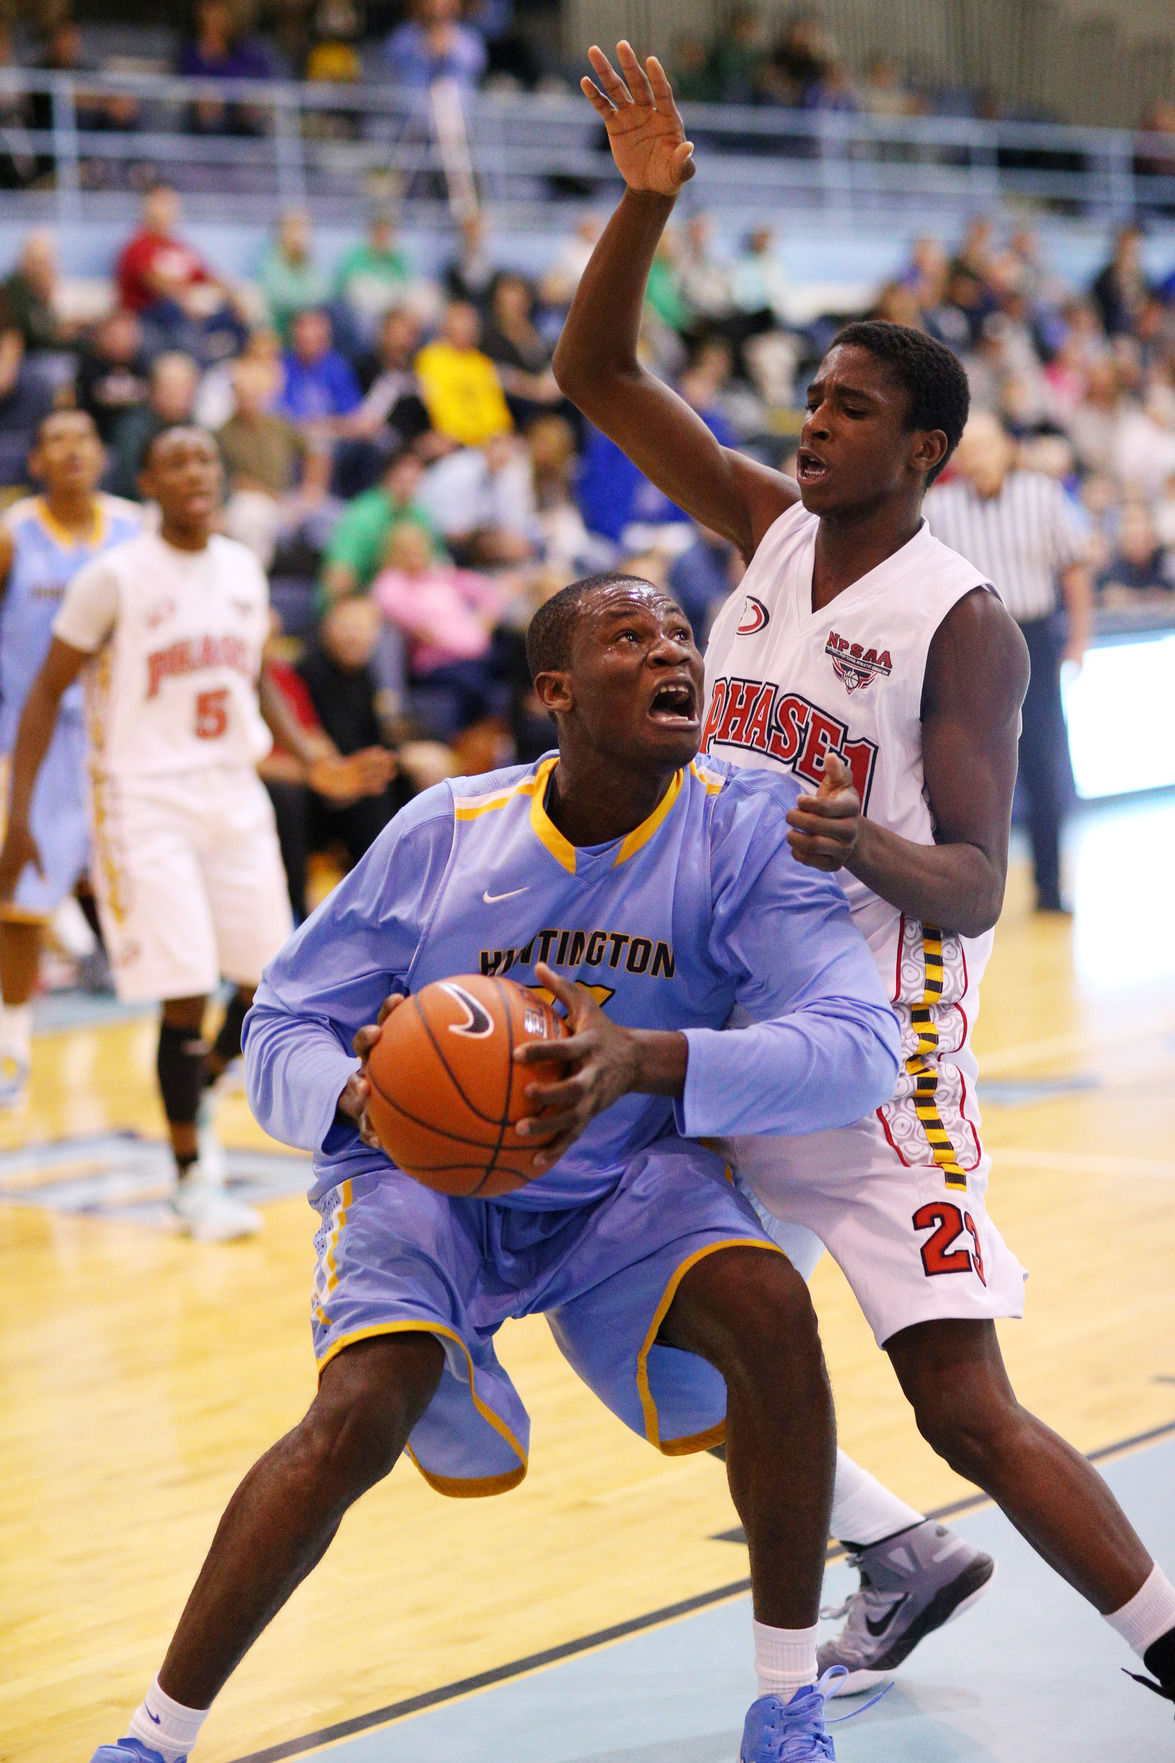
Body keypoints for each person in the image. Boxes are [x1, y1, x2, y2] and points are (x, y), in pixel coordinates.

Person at [551, 41, 1175, 1717]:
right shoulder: (764, 527)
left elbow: (969, 886)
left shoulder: (962, 626)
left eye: (851, 409)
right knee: (645, 1315)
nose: (813, 424)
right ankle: (894, 1549)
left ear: (925, 452)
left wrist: (859, 841)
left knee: (963, 1401)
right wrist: (644, 204)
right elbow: (595, 370)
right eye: (814, 398)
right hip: (735, 1025)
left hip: (871, 1046)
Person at [88, 570, 903, 1763]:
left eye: (679, 633)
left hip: (623, 1178)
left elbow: (861, 1048)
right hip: (426, 1177)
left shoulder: (744, 823)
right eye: (630, 637)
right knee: (358, 1409)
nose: (671, 652)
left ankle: (786, 1704)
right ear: (554, 692)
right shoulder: (446, 830)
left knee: (768, 1308)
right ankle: (153, 1738)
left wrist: (645, 1061)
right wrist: (363, 1091)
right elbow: (280, 1021)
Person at [0, 426, 356, 1242]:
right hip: (143, 797)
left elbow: (255, 676)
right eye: (177, 461)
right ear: (149, 483)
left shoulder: (239, 565)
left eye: (206, 459)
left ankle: (200, 1086)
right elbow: (44, 693)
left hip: (232, 789)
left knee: (272, 982)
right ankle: (192, 1176)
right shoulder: (112, 577)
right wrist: (18, 816)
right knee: (186, 988)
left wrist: (313, 757)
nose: (196, 471)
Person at [0, 410, 142, 1106]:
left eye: (83, 437)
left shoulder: (135, 530)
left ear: (100, 455)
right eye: (55, 439)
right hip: (28, 733)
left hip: (120, 731)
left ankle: (189, 1047)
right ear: (36, 462)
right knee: (19, 894)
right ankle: (11, 1045)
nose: (72, 450)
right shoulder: (13, 535)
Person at [926, 411, 1093, 914]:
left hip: (1034, 639)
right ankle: (956, 893)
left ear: (1007, 448)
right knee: (960, 771)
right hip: (967, 645)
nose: (979, 457)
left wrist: (1078, 640)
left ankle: (1049, 888)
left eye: (987, 445)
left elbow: (1074, 570)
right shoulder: (939, 507)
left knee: (1043, 764)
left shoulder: (1042, 496)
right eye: (969, 448)